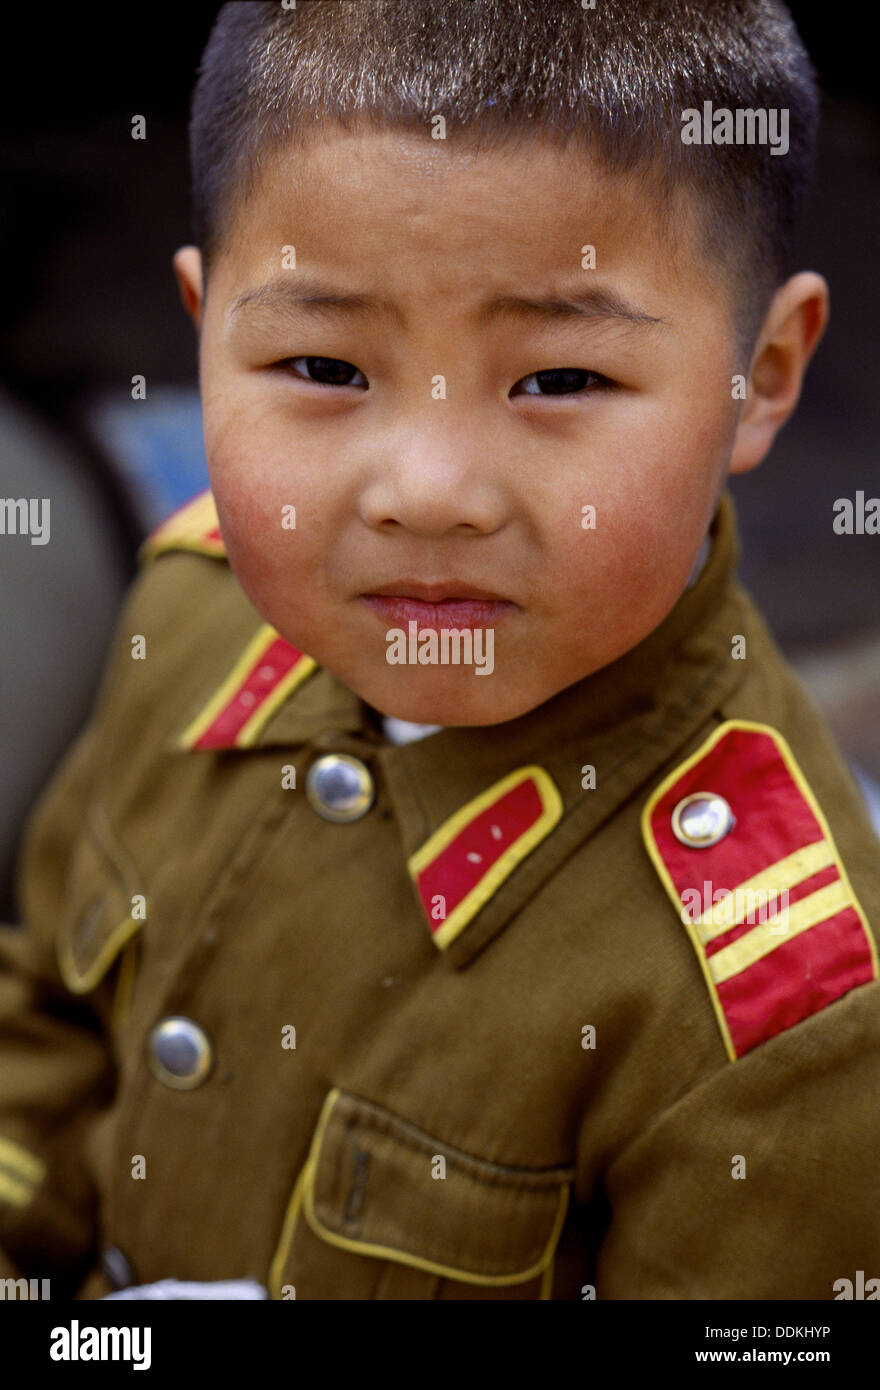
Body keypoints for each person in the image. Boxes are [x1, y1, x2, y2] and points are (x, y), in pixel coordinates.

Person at [1, 0, 878, 1302]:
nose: (428, 490)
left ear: (764, 373)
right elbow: (50, 1030)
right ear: (202, 327)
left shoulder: (788, 1012)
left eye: (560, 381)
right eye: (320, 362)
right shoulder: (193, 615)